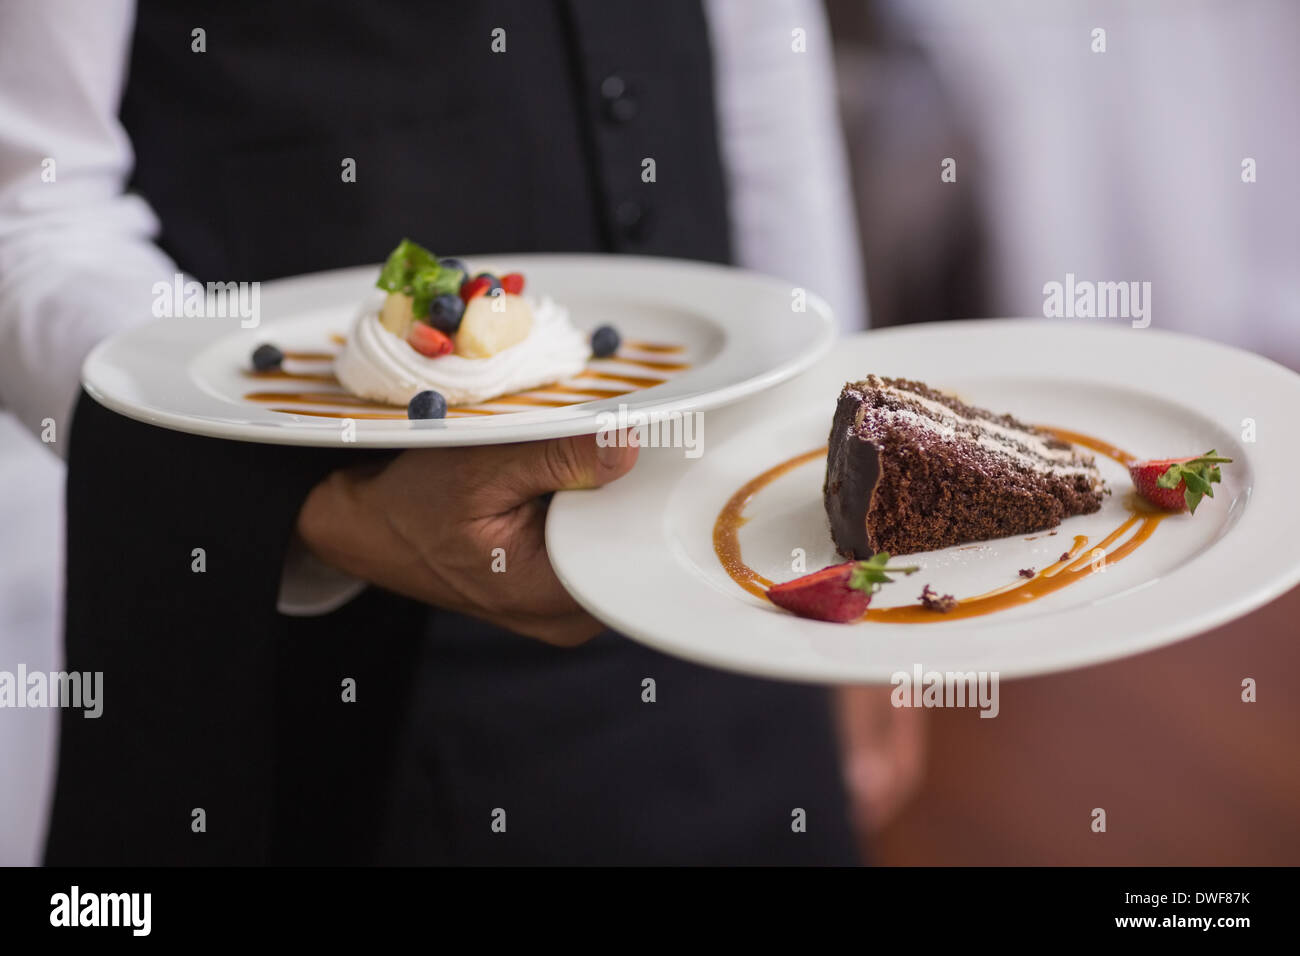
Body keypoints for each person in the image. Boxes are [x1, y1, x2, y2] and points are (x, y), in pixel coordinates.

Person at [1, 0, 874, 864]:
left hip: (753, 599)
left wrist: (836, 505)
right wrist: (328, 511)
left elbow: (764, 67)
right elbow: (34, 212)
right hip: (371, 672)